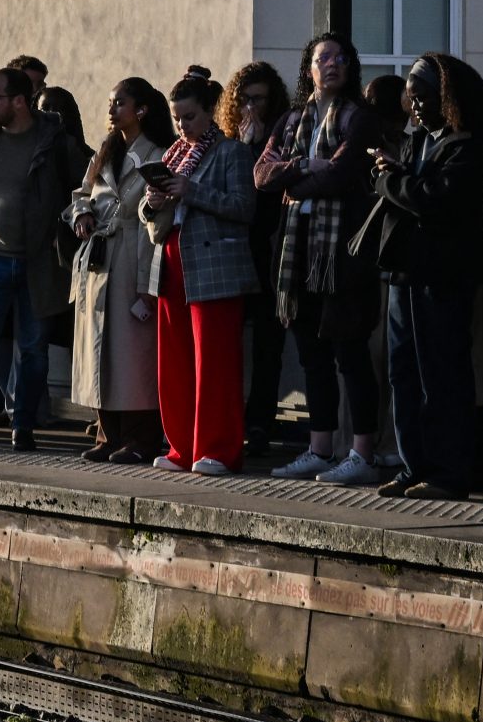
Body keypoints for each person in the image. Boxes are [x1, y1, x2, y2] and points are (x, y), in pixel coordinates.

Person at [369, 52, 483, 500]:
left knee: (440, 374)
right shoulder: (416, 142)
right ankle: (414, 465)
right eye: (412, 98)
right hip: (405, 272)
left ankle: (448, 473)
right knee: (402, 372)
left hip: (443, 275)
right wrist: (396, 174)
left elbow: (435, 198)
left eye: (425, 97)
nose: (417, 106)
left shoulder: (468, 144)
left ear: (447, 97)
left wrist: (389, 181)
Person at [255, 34, 385, 485]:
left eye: (340, 57)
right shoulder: (292, 119)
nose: (332, 63)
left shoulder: (360, 119)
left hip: (342, 252)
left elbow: (344, 174)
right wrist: (305, 167)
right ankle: (320, 448)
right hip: (298, 249)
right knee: (312, 356)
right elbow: (263, 175)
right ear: (308, 68)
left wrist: (299, 174)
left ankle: (363, 453)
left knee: (349, 353)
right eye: (321, 57)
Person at [0, 64, 82, 454]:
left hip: (38, 262)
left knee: (33, 350)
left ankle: (23, 426)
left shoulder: (54, 140)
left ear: (20, 102)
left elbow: (84, 185)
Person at [140, 75, 258, 475]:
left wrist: (191, 191)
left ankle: (219, 449)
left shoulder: (232, 153)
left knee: (215, 363)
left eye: (189, 117)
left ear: (210, 112)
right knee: (173, 362)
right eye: (177, 119)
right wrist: (153, 202)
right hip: (172, 265)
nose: (183, 126)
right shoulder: (172, 155)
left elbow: (244, 208)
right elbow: (150, 213)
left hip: (214, 268)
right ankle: (182, 447)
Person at [67, 78, 170, 464]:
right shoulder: (105, 151)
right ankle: (107, 432)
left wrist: (147, 284)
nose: (111, 110)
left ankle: (142, 437)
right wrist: (82, 214)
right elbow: (81, 193)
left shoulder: (158, 153)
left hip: (133, 254)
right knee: (99, 350)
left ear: (141, 109)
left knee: (134, 351)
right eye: (110, 103)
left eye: (119, 103)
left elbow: (155, 219)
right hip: (99, 258)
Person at [221, 62, 294, 455]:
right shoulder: (226, 140)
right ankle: (231, 417)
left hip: (269, 249)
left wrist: (257, 148)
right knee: (231, 340)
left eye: (259, 99)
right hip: (235, 249)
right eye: (244, 99)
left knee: (268, 343)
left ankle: (260, 422)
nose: (251, 107)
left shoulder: (282, 134)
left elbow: (266, 190)